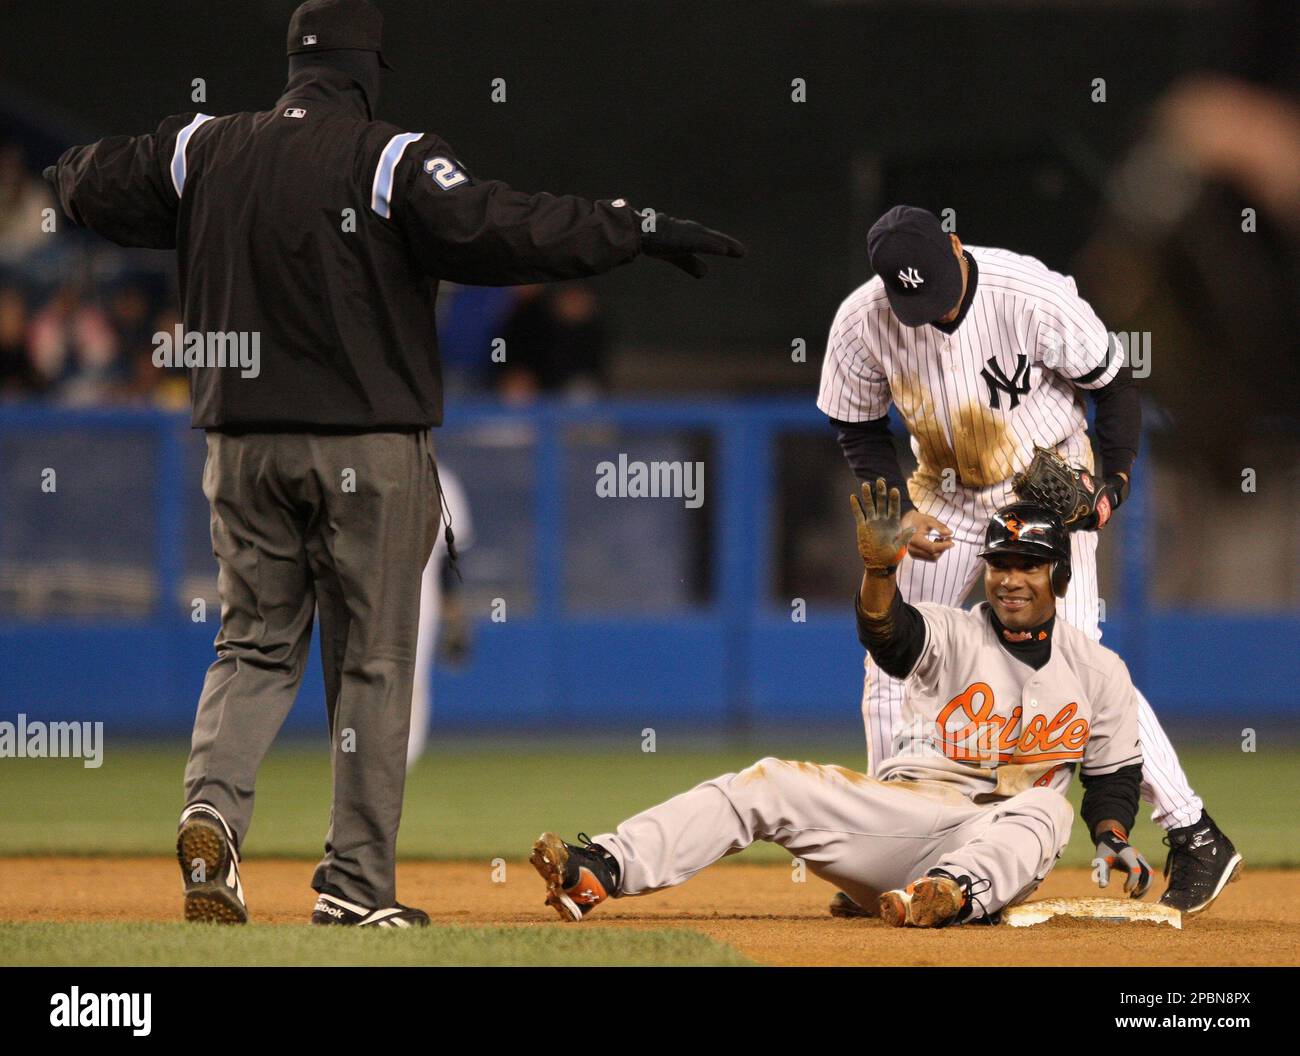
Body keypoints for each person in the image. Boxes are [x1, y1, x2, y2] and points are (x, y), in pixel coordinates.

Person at [43, 0, 744, 928]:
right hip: (364, 448)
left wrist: (59, 172)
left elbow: (93, 181)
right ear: (369, 71)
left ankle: (213, 808)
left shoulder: (204, 146)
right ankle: (354, 887)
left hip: (238, 445)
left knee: (252, 642)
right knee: (371, 663)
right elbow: (507, 228)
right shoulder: (387, 157)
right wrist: (631, 228)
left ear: (294, 65)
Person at [815, 205, 1240, 915]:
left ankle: (1193, 831)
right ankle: (890, 849)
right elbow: (856, 426)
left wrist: (1112, 486)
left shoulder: (1030, 294)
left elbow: (1114, 387)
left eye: (939, 287)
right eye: (912, 299)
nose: (932, 308)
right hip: (942, 494)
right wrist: (895, 510)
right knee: (892, 659)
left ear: (956, 244)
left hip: (1044, 486)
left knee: (1072, 666)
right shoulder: (864, 320)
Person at [530, 483, 1153, 928]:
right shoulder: (956, 631)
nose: (1010, 578)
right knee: (767, 783)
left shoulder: (1100, 672)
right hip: (901, 814)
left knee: (1046, 805)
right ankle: (602, 868)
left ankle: (950, 894)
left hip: (999, 842)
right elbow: (889, 635)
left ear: (1060, 579)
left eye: (1029, 566)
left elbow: (1113, 778)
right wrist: (880, 573)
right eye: (1000, 564)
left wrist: (1114, 836)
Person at [407, 464, 473, 767]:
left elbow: (449, 559)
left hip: (421, 601)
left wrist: (454, 615)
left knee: (412, 680)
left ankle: (400, 765)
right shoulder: (360, 468)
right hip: (365, 596)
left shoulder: (441, 480)